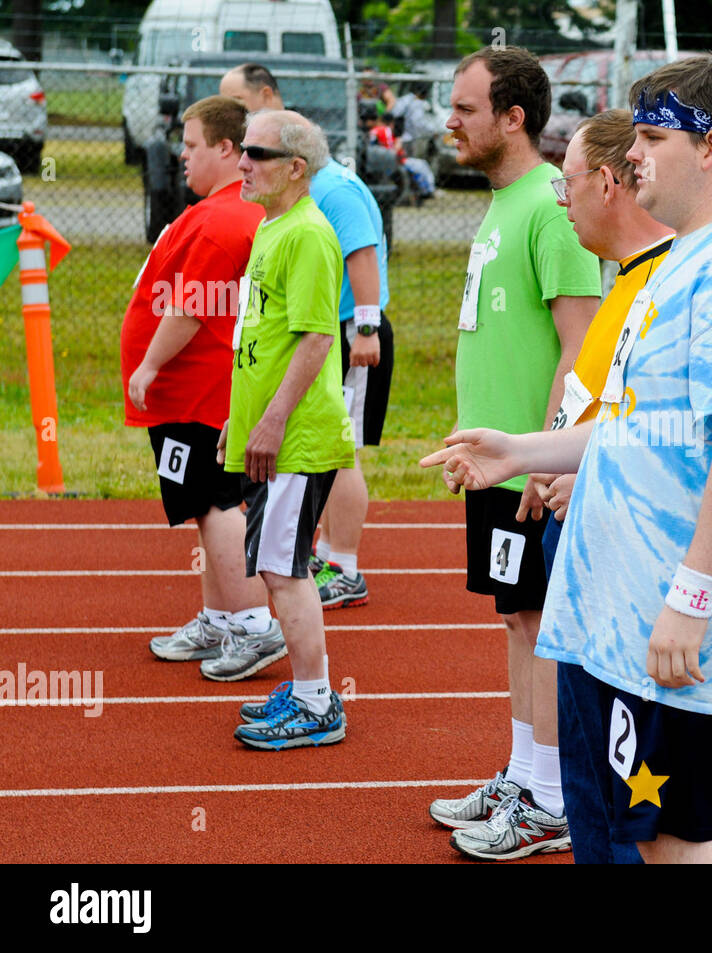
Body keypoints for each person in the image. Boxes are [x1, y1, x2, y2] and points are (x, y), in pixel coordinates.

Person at [424, 53, 712, 865]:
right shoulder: (689, 260)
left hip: (670, 624)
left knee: (673, 841)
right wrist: (519, 449)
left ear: (709, 147)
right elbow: (641, 426)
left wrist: (691, 595)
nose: (630, 154)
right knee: (695, 832)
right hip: (635, 616)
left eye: (649, 134)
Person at [424, 45, 601, 861]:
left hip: (530, 462)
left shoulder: (548, 206)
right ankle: (525, 774)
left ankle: (552, 797)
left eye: (465, 108)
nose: (449, 121)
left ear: (513, 117)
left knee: (539, 619)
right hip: (496, 460)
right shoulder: (504, 201)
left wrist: (546, 458)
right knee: (516, 615)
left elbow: (580, 341)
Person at [541, 108, 675, 864]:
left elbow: (666, 432)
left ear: (604, 180)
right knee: (587, 771)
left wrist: (581, 473)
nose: (562, 199)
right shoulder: (622, 279)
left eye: (567, 180)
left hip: (624, 557)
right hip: (583, 533)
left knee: (632, 793)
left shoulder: (667, 281)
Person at [220, 63, 395, 612]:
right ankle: (321, 554)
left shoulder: (330, 191)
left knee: (338, 452)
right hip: (323, 328)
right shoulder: (289, 200)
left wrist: (364, 329)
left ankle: (343, 563)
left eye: (244, 109)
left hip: (345, 331)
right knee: (331, 454)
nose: (243, 151)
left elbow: (361, 255)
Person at [121, 95, 282, 676]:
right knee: (206, 501)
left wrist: (149, 366)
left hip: (197, 391)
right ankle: (221, 619)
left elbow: (191, 308)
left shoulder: (221, 218)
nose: (181, 157)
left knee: (214, 501)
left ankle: (251, 625)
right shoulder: (224, 210)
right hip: (202, 389)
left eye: (191, 146)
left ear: (224, 148)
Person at [218, 109, 354, 749]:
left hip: (296, 440)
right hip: (274, 433)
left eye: (257, 153)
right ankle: (308, 691)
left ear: (295, 168)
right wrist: (235, 419)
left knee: (283, 569)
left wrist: (270, 423)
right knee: (277, 566)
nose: (242, 162)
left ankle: (317, 703)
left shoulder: (306, 234)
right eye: (243, 150)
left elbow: (314, 340)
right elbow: (260, 338)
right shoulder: (272, 228)